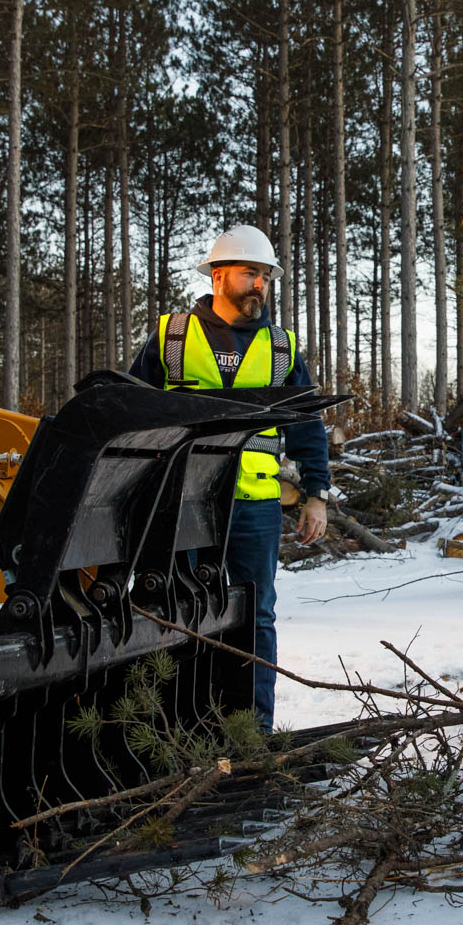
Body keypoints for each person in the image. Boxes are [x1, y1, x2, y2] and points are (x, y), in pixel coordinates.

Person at [127, 224, 331, 732]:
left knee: (254, 617)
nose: (260, 284)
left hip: (253, 507)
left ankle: (251, 733)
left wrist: (316, 495)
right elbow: (129, 417)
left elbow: (306, 425)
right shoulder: (171, 337)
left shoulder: (282, 348)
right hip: (178, 504)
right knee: (177, 612)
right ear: (219, 275)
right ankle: (177, 734)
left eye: (265, 276)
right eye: (250, 273)